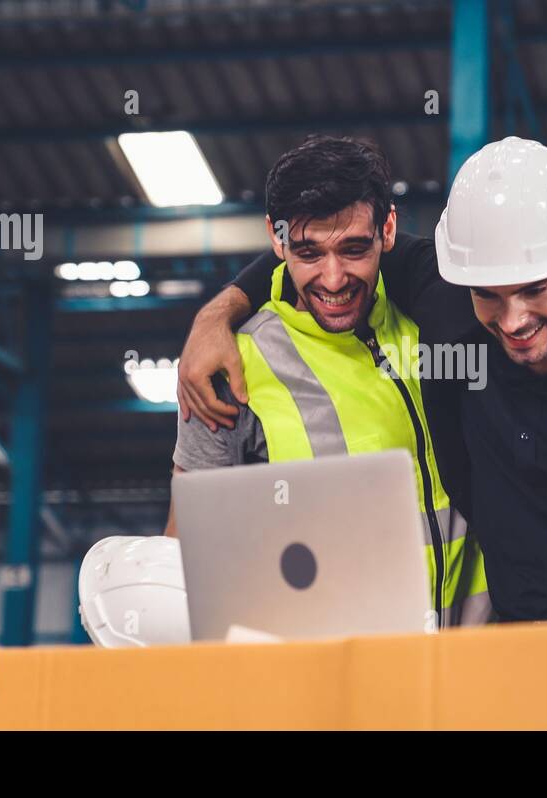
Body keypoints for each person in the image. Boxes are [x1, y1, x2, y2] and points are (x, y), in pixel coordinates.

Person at [181, 136, 547, 621]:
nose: (514, 320)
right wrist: (218, 313)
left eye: (535, 289)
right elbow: (328, 249)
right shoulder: (451, 309)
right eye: (490, 296)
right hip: (523, 672)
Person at [164, 135, 490, 627]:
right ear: (277, 242)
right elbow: (183, 556)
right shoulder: (233, 368)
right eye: (309, 253)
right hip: (335, 683)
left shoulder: (431, 325)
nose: (334, 279)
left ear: (388, 230)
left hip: (472, 668)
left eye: (354, 249)